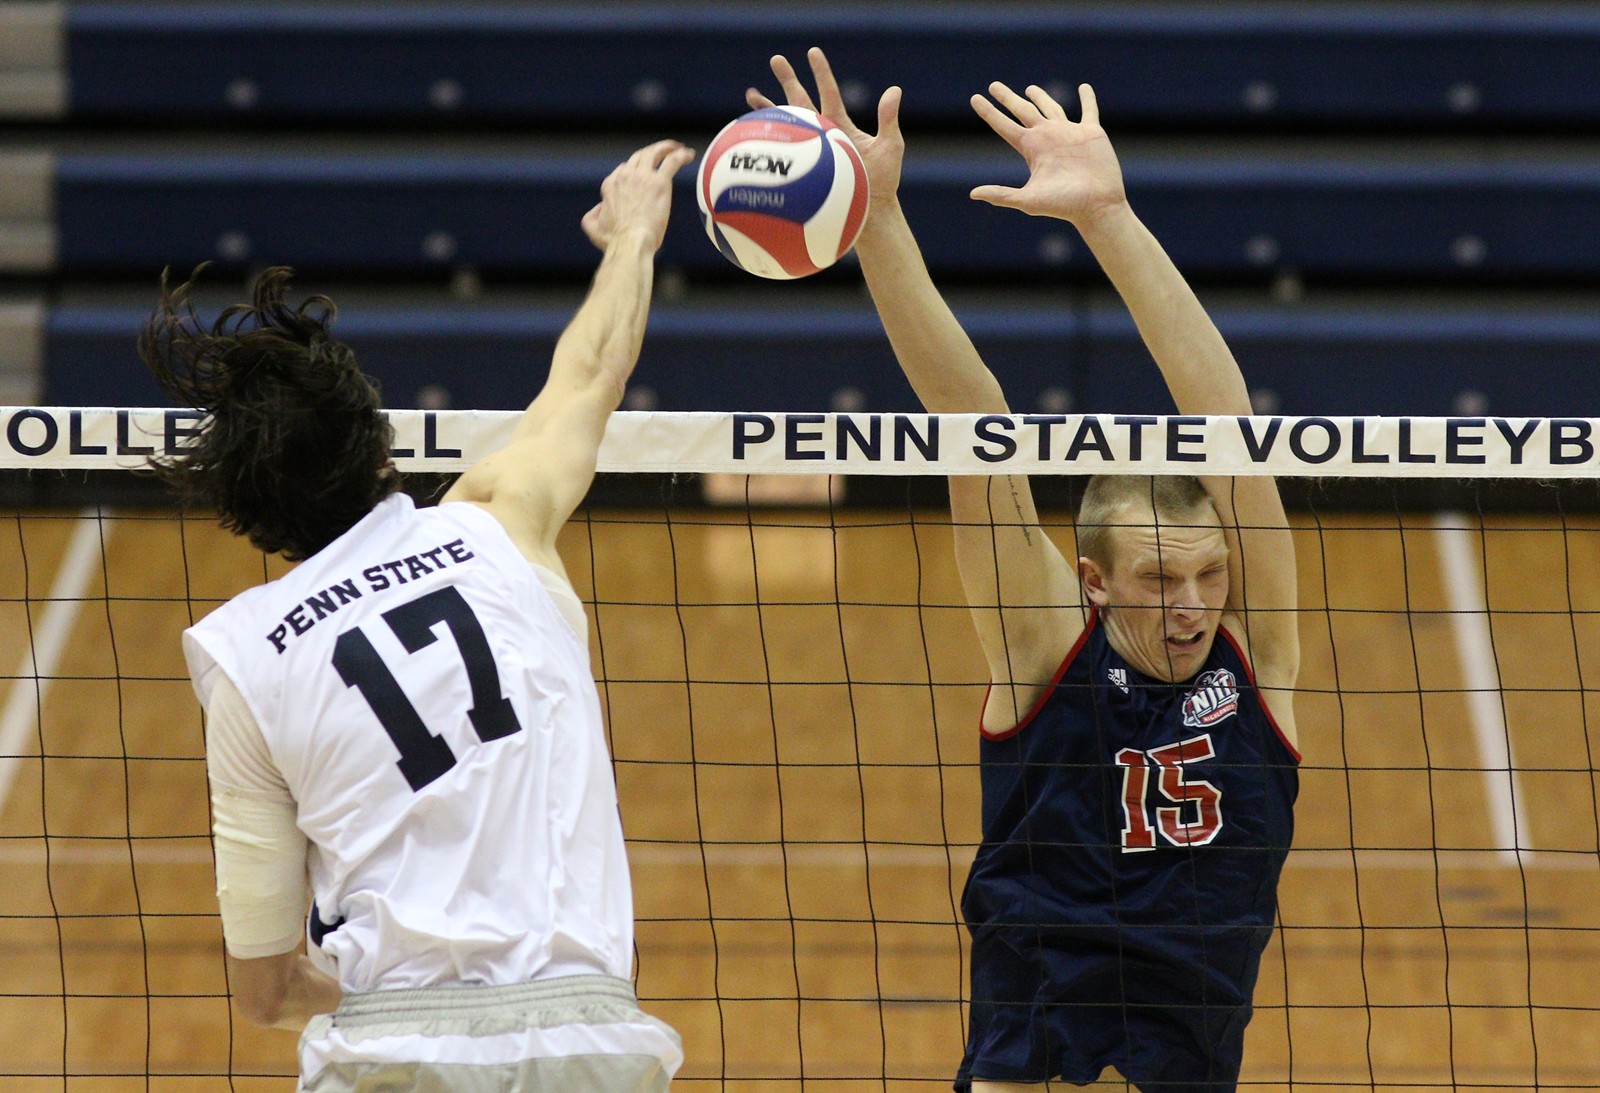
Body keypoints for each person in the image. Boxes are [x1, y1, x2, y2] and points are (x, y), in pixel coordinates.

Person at [748, 51, 1301, 1093]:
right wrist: (876, 222)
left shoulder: (1259, 646)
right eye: (1154, 581)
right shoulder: (1044, 640)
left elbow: (1223, 421)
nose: (1188, 608)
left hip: (1186, 1036)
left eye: (1205, 579)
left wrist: (1109, 219)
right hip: (1030, 1024)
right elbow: (972, 424)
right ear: (1090, 580)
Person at [142, 139, 696, 1092]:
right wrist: (633, 239)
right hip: (592, 1043)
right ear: (376, 436)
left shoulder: (243, 656)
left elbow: (265, 984)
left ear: (243, 512)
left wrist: (387, 997)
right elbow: (588, 376)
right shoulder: (497, 526)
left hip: (390, 1055)